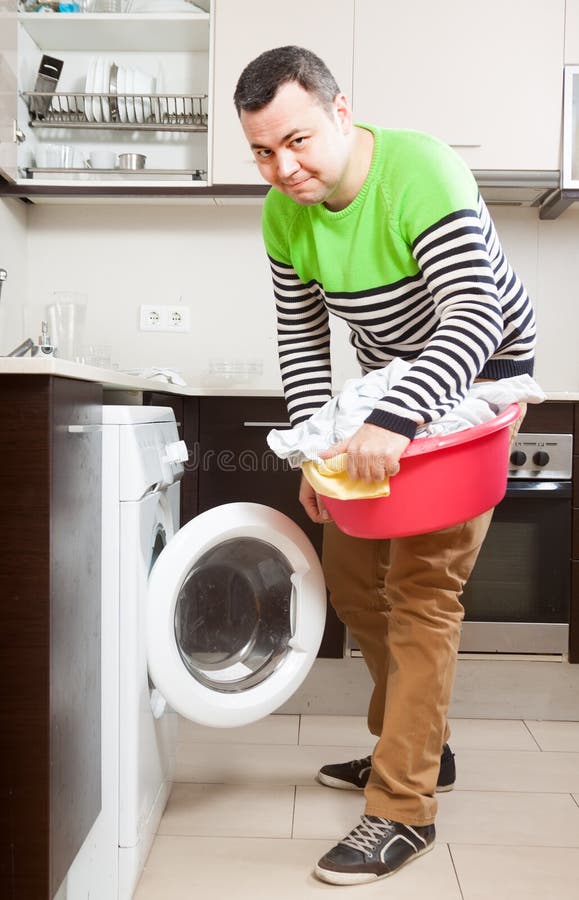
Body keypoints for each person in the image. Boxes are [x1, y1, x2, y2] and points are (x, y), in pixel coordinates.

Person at [234, 45, 533, 885]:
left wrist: (397, 423)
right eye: (261, 150)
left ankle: (402, 808)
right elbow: (301, 338)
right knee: (352, 575)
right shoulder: (282, 213)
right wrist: (307, 448)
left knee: (422, 592)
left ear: (339, 111)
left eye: (295, 141)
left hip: (475, 382)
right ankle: (419, 747)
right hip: (391, 389)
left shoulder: (422, 171)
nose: (281, 167)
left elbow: (474, 316)